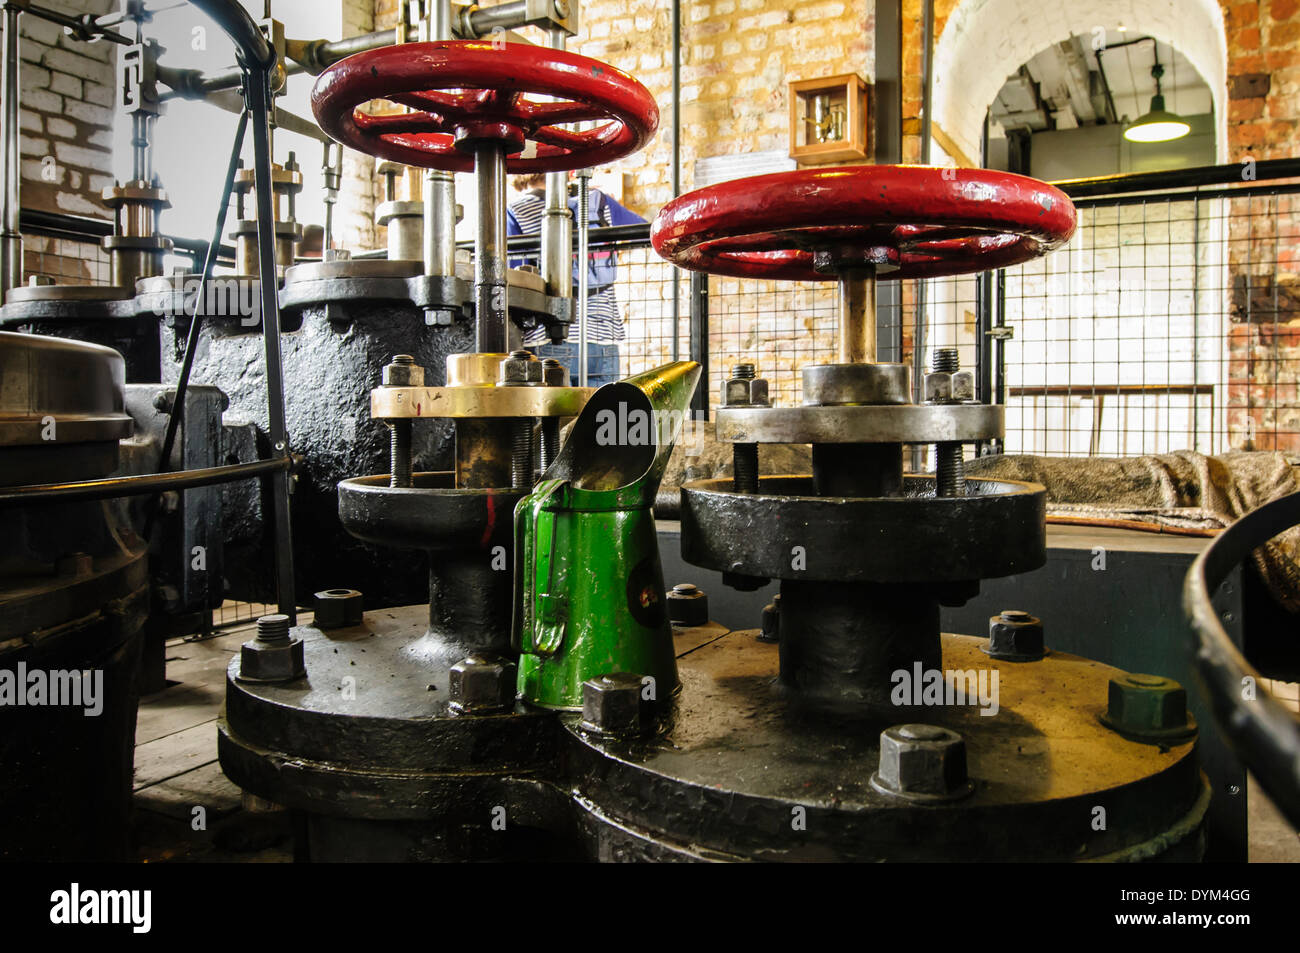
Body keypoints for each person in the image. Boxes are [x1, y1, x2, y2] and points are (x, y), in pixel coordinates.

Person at [506, 172, 646, 386]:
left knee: (555, 416)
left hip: (548, 334)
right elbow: (645, 231)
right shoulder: (599, 201)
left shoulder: (517, 210)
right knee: (601, 414)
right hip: (604, 335)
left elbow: (513, 276)